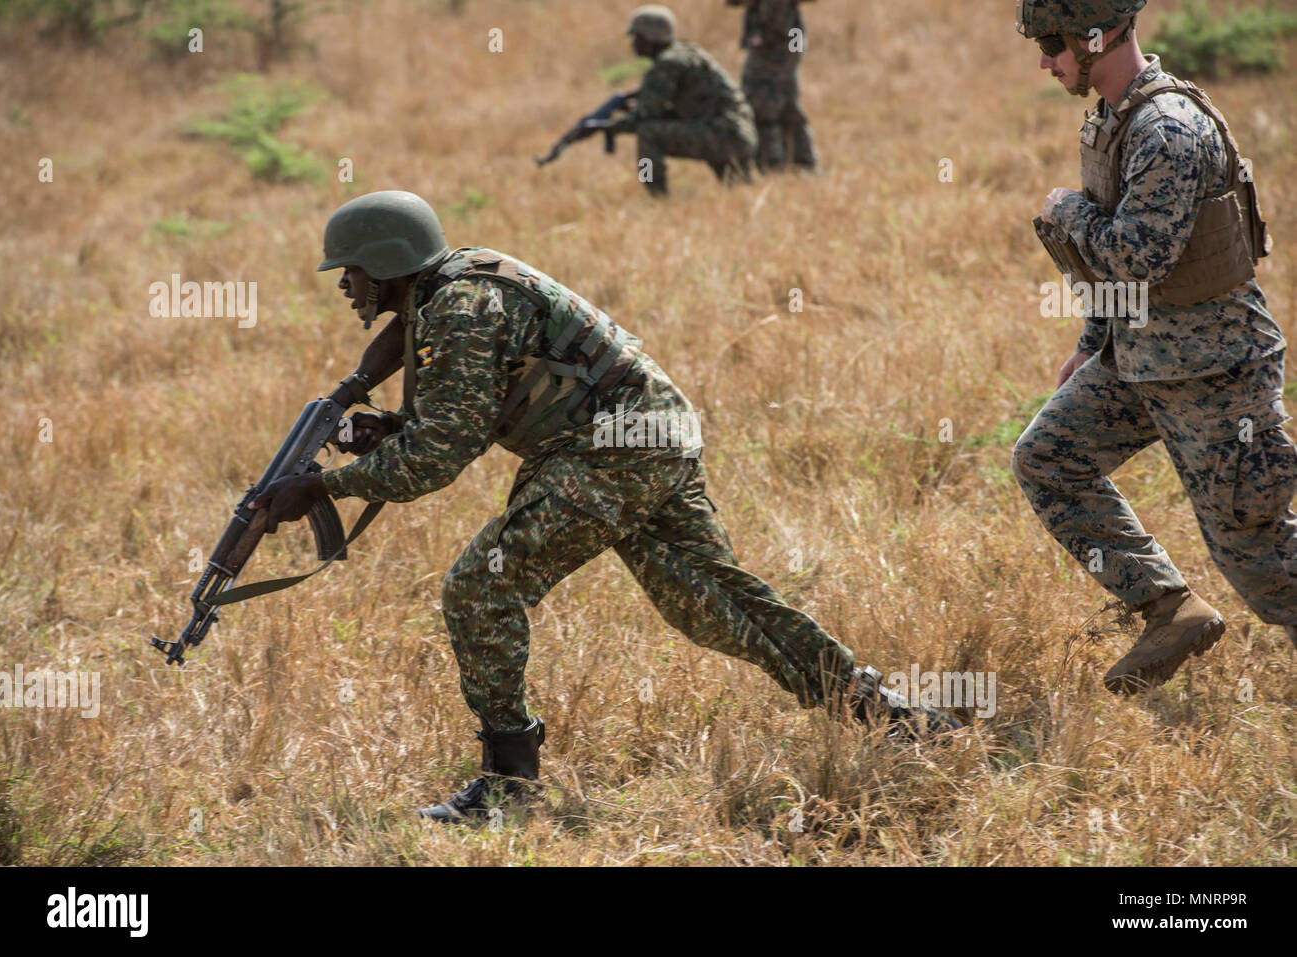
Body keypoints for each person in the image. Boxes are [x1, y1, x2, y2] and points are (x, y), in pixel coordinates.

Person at [250, 190, 957, 822]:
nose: (345, 285)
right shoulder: (456, 287)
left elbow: (441, 456)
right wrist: (389, 430)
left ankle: (507, 785)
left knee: (481, 586)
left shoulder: (460, 308)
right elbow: (460, 415)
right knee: (711, 601)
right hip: (652, 431)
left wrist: (323, 487)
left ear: (387, 261)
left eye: (350, 270)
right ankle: (887, 714)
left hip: (607, 447)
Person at [1011, 0, 1296, 694]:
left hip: (1215, 374)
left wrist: (1065, 210)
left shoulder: (1166, 129)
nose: (1045, 60)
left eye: (1052, 42)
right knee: (1049, 458)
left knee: (1261, 561)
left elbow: (1137, 256)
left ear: (1098, 36)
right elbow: (1118, 265)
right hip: (1141, 358)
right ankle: (1169, 609)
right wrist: (1093, 341)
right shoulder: (1115, 118)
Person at [597, 5, 757, 196]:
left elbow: (646, 115)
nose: (634, 44)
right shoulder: (684, 53)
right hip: (736, 134)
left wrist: (609, 126)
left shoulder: (668, 63)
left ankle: (656, 194)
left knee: (647, 133)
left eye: (638, 38)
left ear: (651, 38)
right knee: (740, 193)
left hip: (723, 134)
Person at [728, 0, 818, 172]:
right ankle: (802, 160)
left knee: (762, 101)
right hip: (792, 36)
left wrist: (760, 35)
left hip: (776, 40)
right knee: (787, 99)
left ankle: (772, 162)